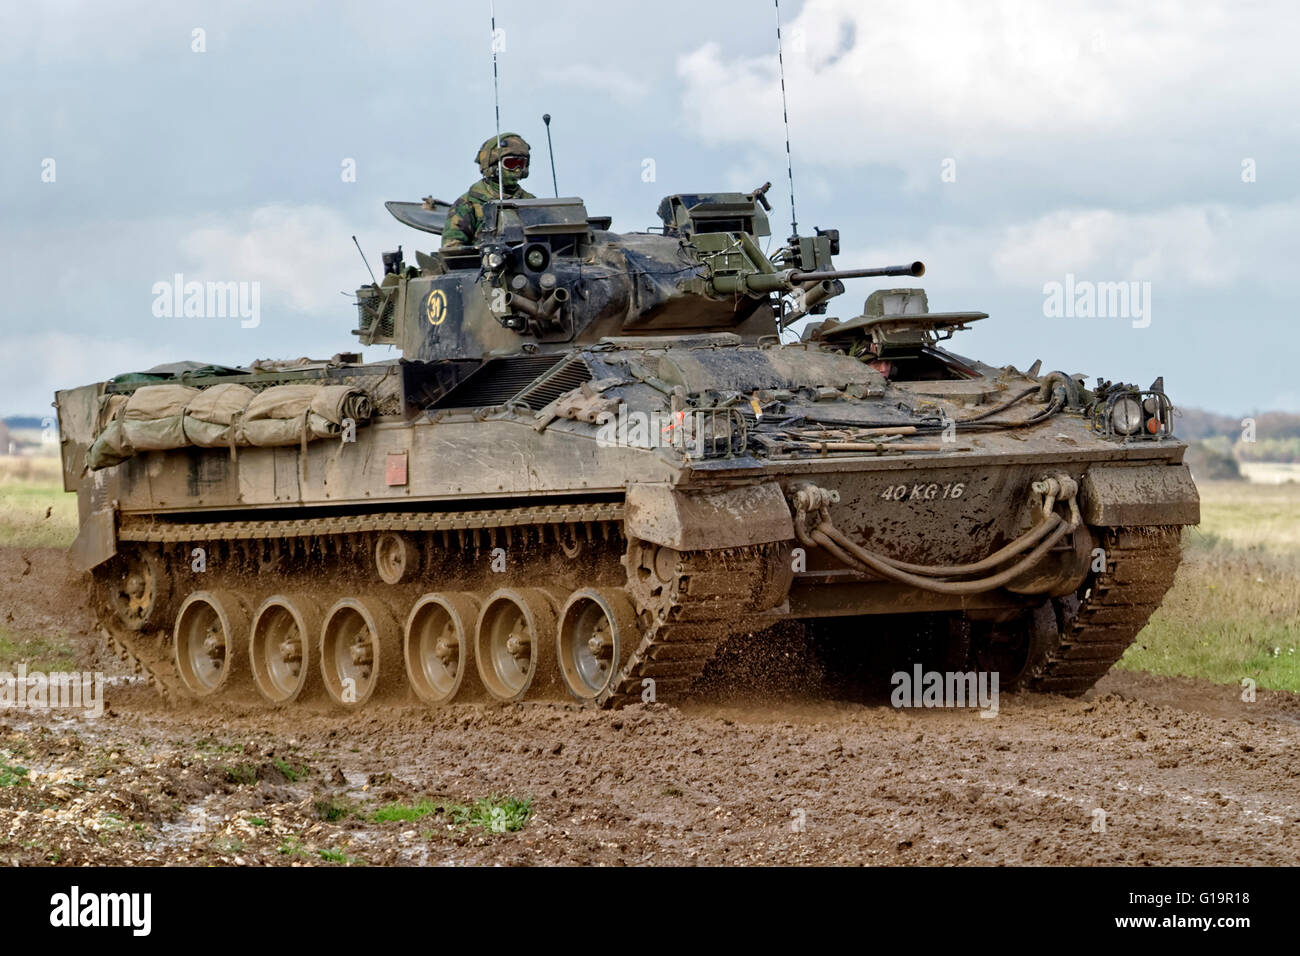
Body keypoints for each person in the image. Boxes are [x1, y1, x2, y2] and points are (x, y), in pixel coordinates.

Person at [440, 133, 535, 250]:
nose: (517, 170)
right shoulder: (468, 203)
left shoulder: (530, 203)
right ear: (492, 166)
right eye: (510, 163)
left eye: (521, 164)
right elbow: (452, 248)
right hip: (482, 265)